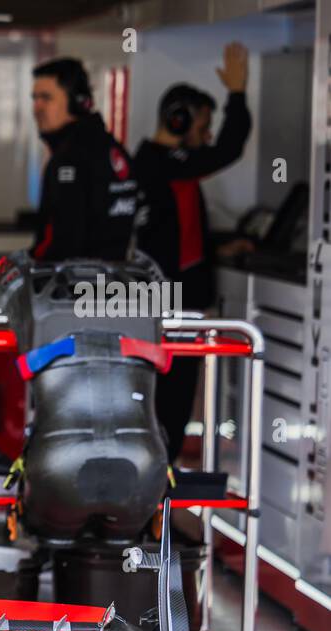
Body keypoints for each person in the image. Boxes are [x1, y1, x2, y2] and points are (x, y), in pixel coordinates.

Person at [135, 43, 252, 464]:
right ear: (178, 120)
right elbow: (227, 150)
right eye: (203, 125)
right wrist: (238, 94)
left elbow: (170, 230)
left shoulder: (165, 168)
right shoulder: (160, 163)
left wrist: (218, 247)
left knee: (171, 408)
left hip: (173, 305)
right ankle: (150, 505)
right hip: (167, 307)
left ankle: (153, 507)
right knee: (165, 407)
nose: (206, 137)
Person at [29, 57, 138, 261]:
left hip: (72, 286)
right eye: (34, 98)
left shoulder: (69, 158)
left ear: (77, 102)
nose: (37, 107)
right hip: (113, 284)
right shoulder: (113, 149)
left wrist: (30, 264)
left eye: (46, 98)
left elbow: (63, 240)